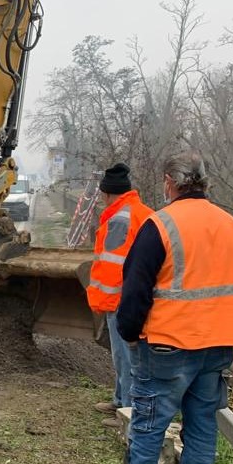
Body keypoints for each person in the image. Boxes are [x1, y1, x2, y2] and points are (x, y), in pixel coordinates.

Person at [77, 151, 233, 464]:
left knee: (148, 425)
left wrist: (129, 332)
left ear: (170, 183)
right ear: (204, 182)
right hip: (218, 344)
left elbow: (136, 288)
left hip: (170, 344)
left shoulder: (161, 225)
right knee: (202, 428)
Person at [87, 163, 154, 427]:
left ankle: (126, 410)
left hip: (122, 300)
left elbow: (113, 266)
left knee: (125, 358)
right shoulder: (142, 212)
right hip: (138, 297)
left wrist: (103, 300)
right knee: (127, 356)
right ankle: (119, 399)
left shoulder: (119, 220)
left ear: (106, 194)